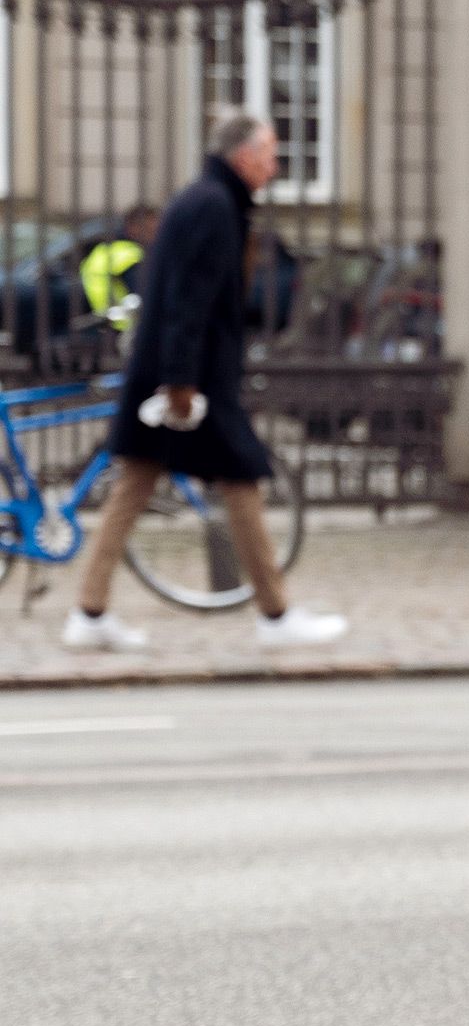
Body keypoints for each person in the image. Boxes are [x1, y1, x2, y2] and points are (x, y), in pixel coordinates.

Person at [62, 111, 346, 655]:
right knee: (240, 479)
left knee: (136, 488)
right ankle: (275, 614)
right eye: (268, 154)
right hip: (190, 381)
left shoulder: (205, 201)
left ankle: (90, 610)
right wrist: (180, 382)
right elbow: (187, 303)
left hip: (178, 373)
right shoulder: (214, 207)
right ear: (242, 155)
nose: (275, 165)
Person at [78, 204, 158, 333]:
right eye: (150, 230)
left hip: (98, 325)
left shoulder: (105, 249)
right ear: (133, 228)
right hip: (124, 330)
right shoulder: (131, 255)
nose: (155, 235)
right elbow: (144, 295)